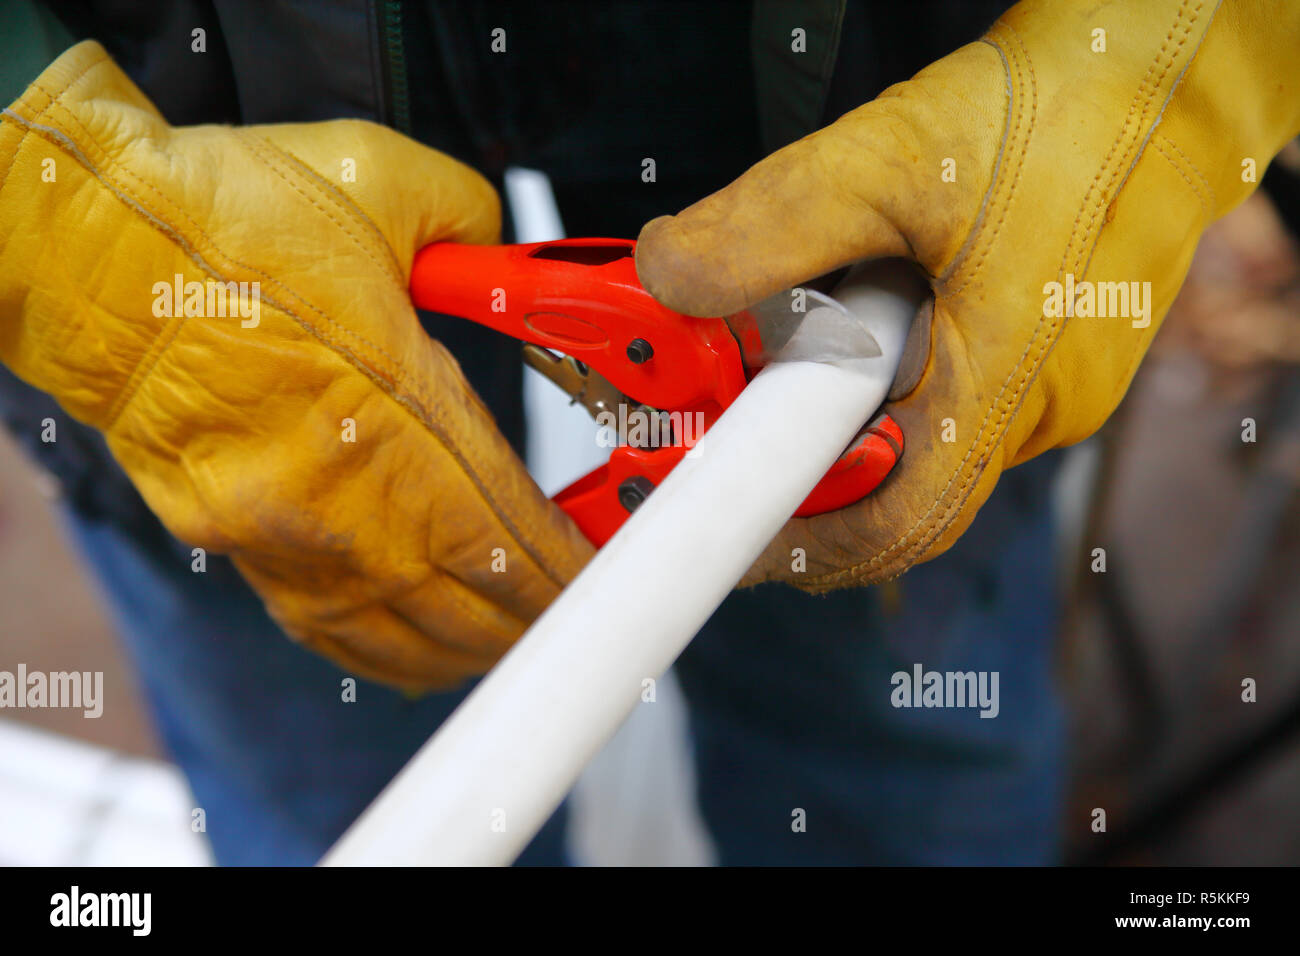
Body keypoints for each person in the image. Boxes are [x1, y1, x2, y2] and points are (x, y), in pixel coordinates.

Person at [1, 0, 1295, 865]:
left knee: (899, 750)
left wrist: (1170, 46)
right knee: (333, 746)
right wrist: (55, 214)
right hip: (164, 88)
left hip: (894, 95)